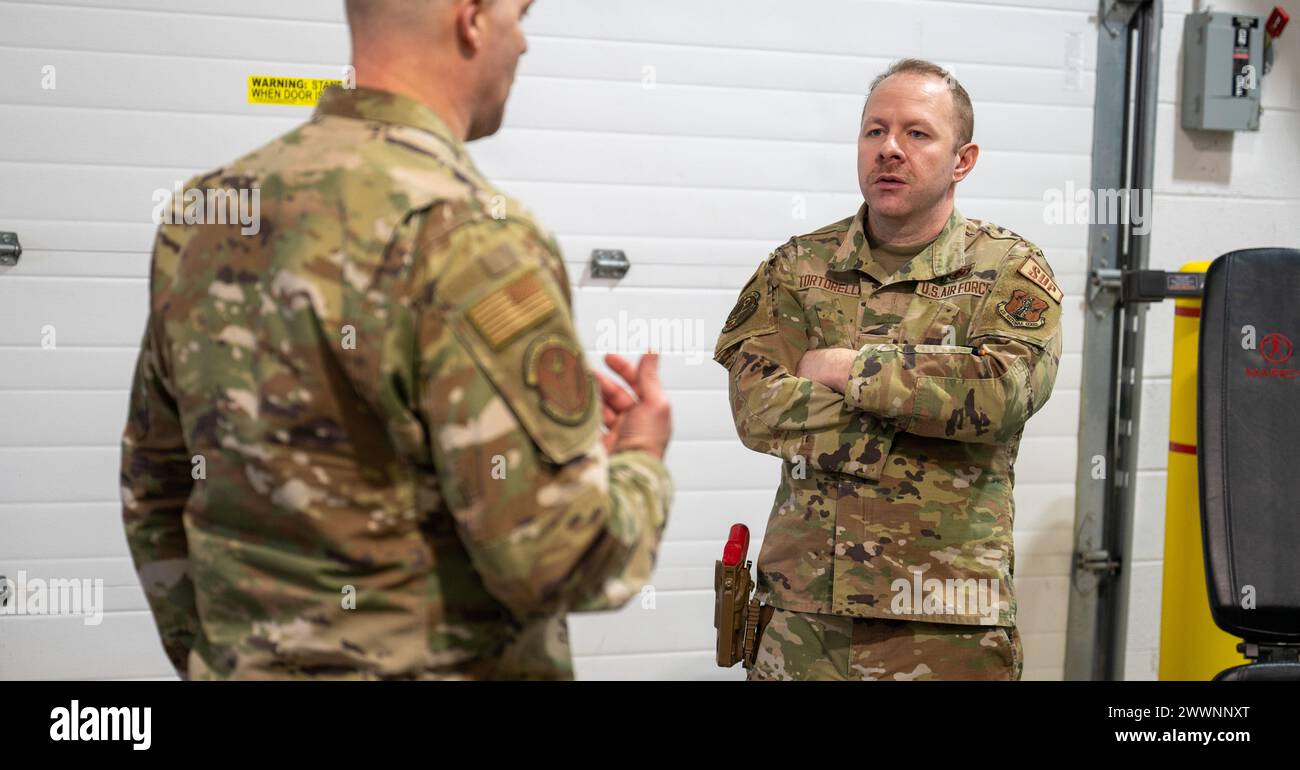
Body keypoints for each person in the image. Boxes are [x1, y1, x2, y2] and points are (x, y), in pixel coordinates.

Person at [120, 0, 673, 680]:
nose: (524, 45)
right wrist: (642, 457)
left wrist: (219, 661)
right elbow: (558, 561)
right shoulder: (470, 236)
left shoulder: (204, 214)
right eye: (520, 15)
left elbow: (156, 489)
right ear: (471, 18)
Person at [714, 58, 1062, 680]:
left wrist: (850, 368)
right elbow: (756, 408)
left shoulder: (1007, 271)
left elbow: (1002, 392)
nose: (889, 150)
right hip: (805, 620)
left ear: (964, 159)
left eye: (917, 133)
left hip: (946, 624)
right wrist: (925, 419)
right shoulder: (798, 267)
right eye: (875, 131)